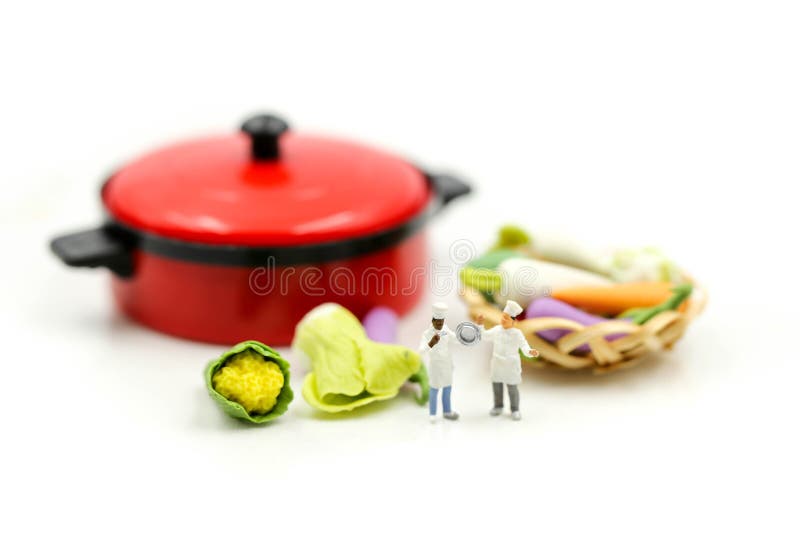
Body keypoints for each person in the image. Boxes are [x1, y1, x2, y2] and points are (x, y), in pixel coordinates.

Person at [477, 300, 539, 421]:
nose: (503, 320)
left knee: (512, 388)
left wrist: (530, 352)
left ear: (513, 321)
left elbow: (524, 346)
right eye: (503, 317)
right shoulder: (496, 330)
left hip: (511, 365)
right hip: (498, 363)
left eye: (506, 318)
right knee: (497, 386)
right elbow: (484, 336)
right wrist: (480, 325)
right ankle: (498, 406)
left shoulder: (517, 334)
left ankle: (515, 409)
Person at [418, 302, 459, 423]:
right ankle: (432, 414)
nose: (440, 325)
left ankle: (447, 412)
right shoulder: (426, 334)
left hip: (446, 365)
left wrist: (464, 336)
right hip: (435, 366)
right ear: (433, 321)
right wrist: (431, 342)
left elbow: (455, 339)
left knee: (447, 388)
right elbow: (421, 350)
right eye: (438, 323)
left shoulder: (445, 330)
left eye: (442, 322)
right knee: (434, 389)